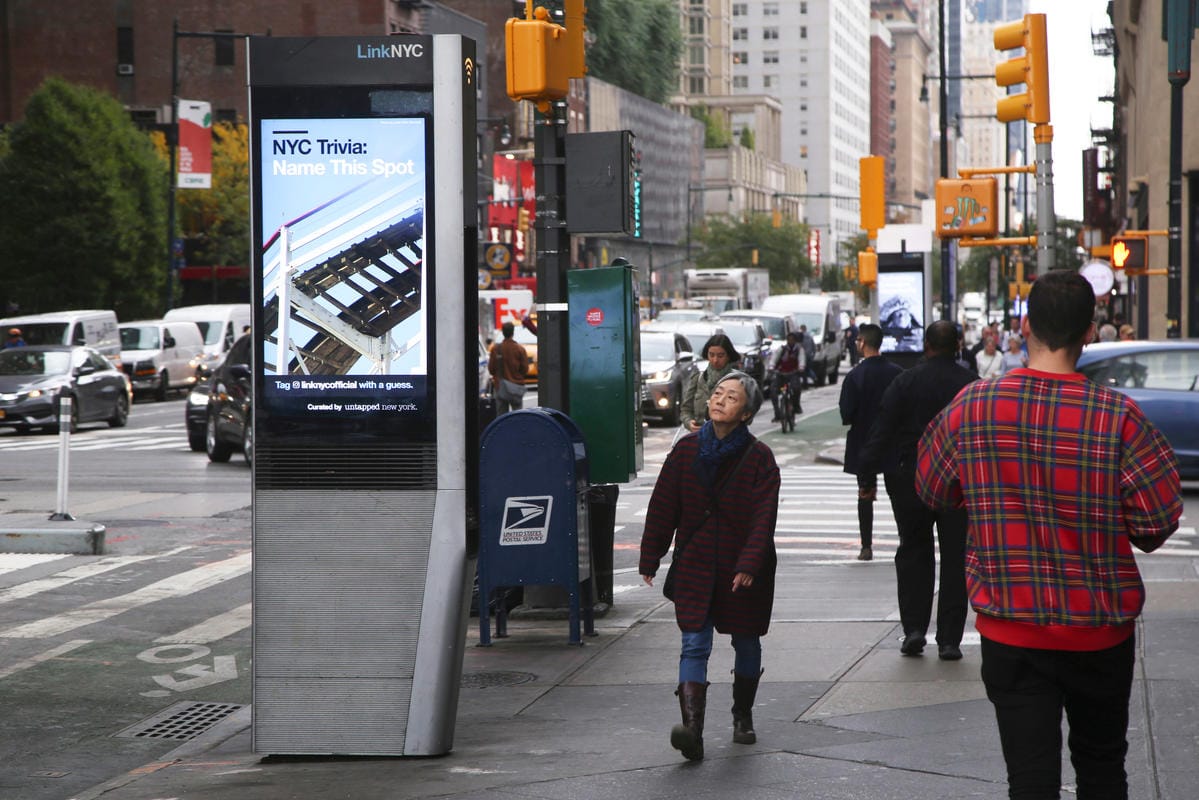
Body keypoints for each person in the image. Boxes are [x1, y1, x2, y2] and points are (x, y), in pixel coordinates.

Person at [916, 270, 1181, 799]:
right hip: (1099, 629)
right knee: (1103, 768)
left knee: (1030, 780)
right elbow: (1156, 523)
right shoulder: (1119, 417)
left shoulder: (973, 407)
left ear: (1026, 325)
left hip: (1012, 628)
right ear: (1089, 332)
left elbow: (931, 489)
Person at [639, 371, 780, 761]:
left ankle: (742, 715)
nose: (719, 399)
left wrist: (750, 563)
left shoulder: (760, 459)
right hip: (697, 563)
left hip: (741, 568)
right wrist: (651, 555)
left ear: (746, 413)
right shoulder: (685, 451)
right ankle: (692, 731)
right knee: (694, 642)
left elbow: (763, 519)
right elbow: (664, 506)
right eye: (717, 392)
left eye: (731, 397)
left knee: (746, 639)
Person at [860, 320, 976, 660]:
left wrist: (866, 472)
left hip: (909, 477)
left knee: (913, 549)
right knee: (955, 556)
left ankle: (914, 629)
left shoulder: (904, 382)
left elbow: (882, 430)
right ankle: (950, 638)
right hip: (957, 480)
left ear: (925, 345)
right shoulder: (970, 385)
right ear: (957, 345)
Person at [838, 323, 903, 561]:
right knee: (898, 494)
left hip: (864, 443)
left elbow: (846, 414)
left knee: (865, 493)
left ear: (862, 343)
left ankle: (866, 546)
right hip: (893, 442)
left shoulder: (855, 376)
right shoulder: (897, 373)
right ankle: (904, 538)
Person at [680, 334, 740, 433]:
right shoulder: (699, 378)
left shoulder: (737, 380)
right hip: (699, 437)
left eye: (720, 356)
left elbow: (746, 414)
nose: (715, 360)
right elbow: (686, 409)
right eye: (711, 355)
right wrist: (689, 422)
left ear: (729, 356)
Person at [487, 321, 529, 415]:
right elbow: (525, 369)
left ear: (502, 333)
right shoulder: (519, 349)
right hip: (516, 387)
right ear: (513, 333)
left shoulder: (496, 349)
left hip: (500, 387)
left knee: (501, 417)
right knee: (518, 415)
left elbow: (491, 369)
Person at [768, 331, 805, 422]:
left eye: (792, 339)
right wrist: (771, 366)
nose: (790, 341)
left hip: (793, 373)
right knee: (773, 391)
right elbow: (774, 358)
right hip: (781, 373)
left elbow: (802, 359)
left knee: (796, 388)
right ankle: (777, 413)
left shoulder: (799, 350)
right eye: (789, 339)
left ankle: (796, 406)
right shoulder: (782, 349)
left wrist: (801, 367)